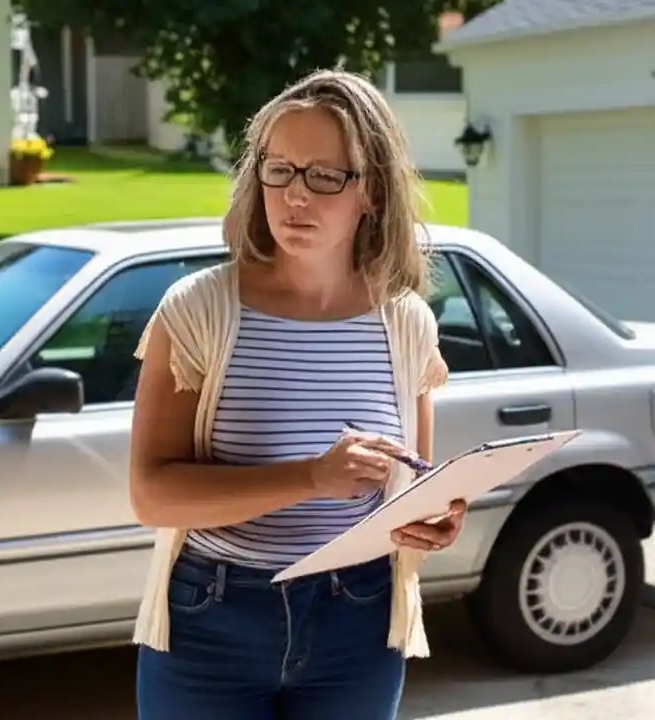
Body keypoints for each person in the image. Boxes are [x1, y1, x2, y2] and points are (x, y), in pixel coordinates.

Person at [127, 68, 468, 719]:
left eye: (324, 176)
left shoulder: (407, 325)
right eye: (279, 170)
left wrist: (432, 519)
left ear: (371, 192)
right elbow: (152, 495)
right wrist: (312, 477)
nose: (294, 196)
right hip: (212, 621)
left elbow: (409, 490)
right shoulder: (197, 311)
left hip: (359, 622)